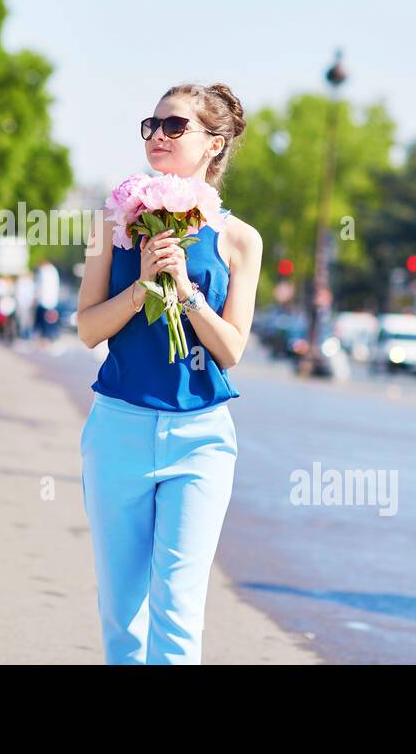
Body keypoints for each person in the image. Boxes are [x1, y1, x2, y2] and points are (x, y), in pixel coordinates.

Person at [74, 82, 262, 664]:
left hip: (201, 440)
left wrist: (185, 294)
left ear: (215, 143)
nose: (157, 135)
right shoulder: (115, 220)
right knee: (121, 611)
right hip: (119, 429)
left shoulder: (239, 239)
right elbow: (86, 329)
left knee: (178, 608)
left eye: (174, 126)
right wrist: (140, 290)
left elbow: (230, 350)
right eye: (151, 125)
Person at [32, 258, 61, 347]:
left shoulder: (46, 271)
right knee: (48, 322)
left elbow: (41, 286)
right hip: (49, 301)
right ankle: (47, 337)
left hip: (46, 301)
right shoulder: (52, 271)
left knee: (46, 322)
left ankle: (47, 337)